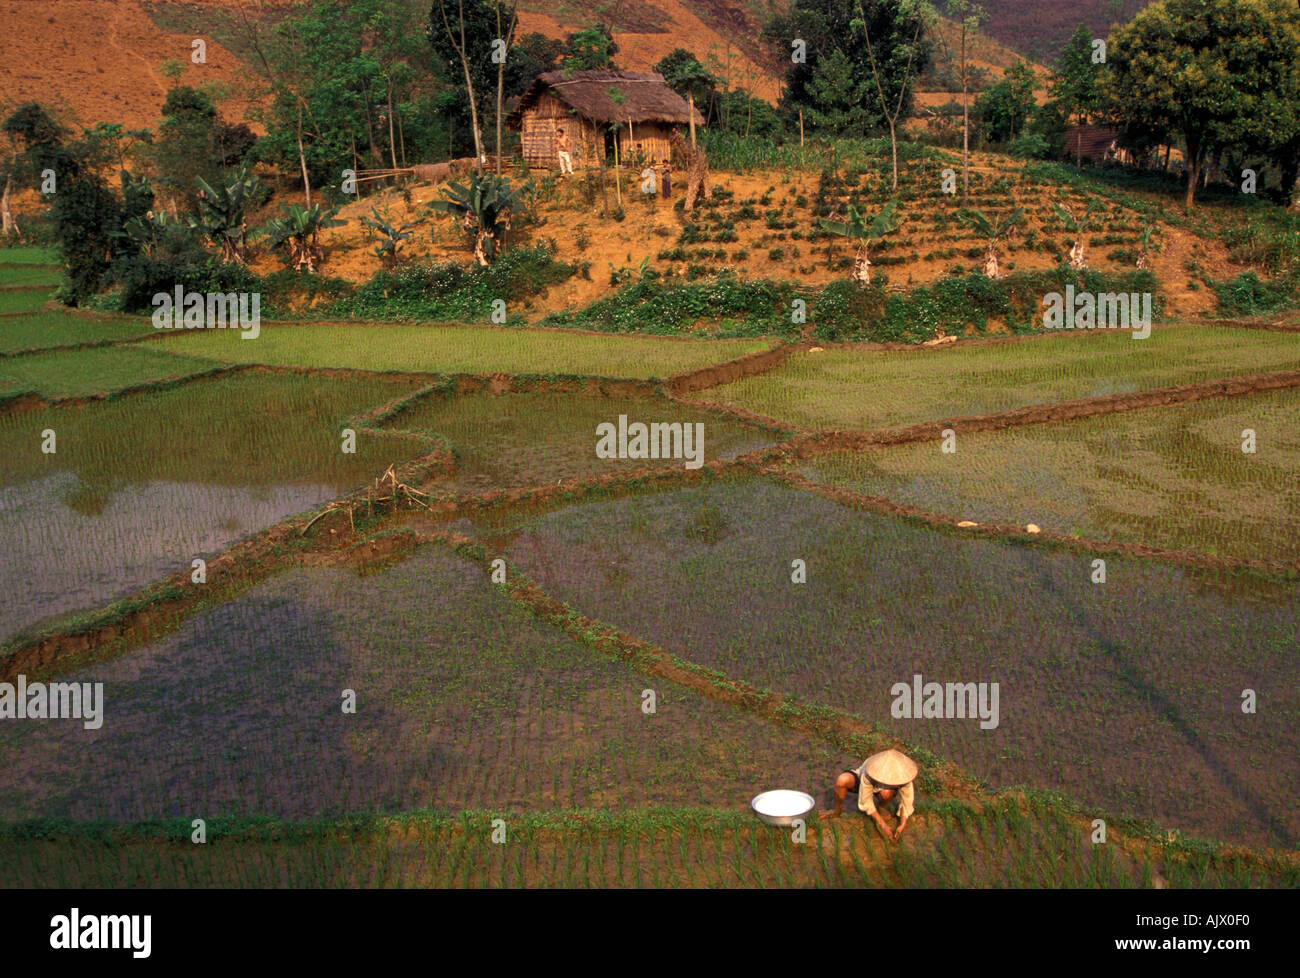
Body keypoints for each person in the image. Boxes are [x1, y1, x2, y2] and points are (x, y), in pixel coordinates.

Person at [820, 748, 917, 842]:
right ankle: (836, 812)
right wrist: (883, 825)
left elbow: (906, 802)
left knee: (886, 793)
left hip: (884, 791)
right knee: (842, 780)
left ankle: (881, 807)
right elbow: (865, 801)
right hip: (863, 780)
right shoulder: (870, 771)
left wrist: (902, 825)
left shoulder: (903, 777)